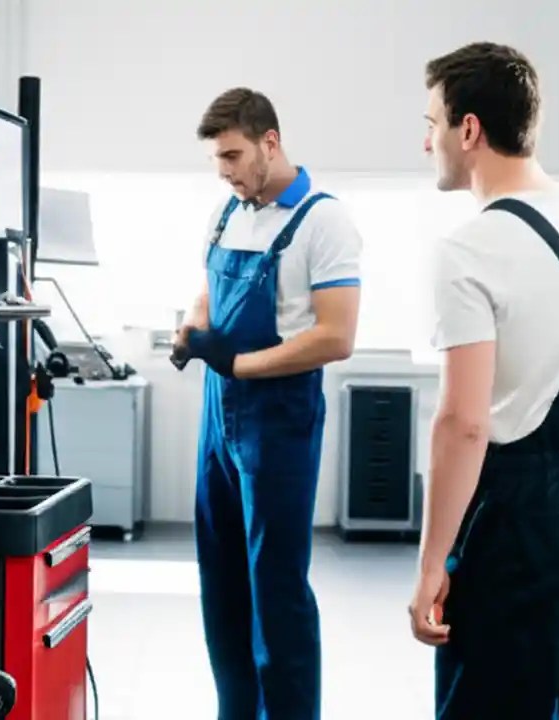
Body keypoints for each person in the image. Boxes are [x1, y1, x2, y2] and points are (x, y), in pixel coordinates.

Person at [408, 42, 559, 719]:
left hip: (524, 511)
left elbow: (464, 422)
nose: (425, 140)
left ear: (470, 129)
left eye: (431, 122)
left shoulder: (467, 251)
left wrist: (432, 565)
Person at [172, 87, 362, 720]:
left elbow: (335, 337)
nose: (225, 172)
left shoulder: (322, 219)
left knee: (275, 588)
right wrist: (192, 332)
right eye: (216, 161)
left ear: (270, 143)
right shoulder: (226, 212)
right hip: (217, 417)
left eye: (232, 155)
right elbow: (204, 292)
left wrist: (237, 362)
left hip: (278, 421)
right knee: (222, 583)